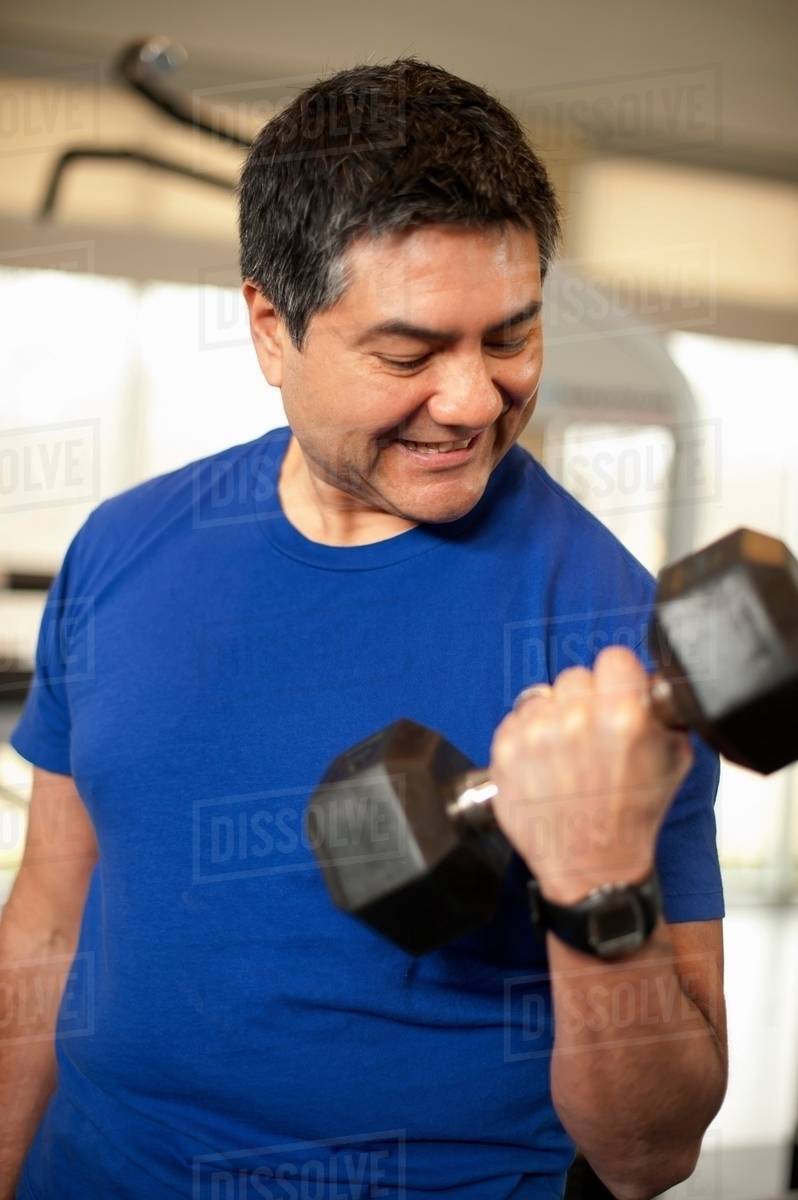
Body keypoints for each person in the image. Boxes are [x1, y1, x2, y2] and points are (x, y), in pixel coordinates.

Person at [1, 57, 726, 1200]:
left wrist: (599, 886)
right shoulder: (122, 548)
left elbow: (651, 1155)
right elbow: (46, 924)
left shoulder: (617, 636)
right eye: (410, 352)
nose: (476, 400)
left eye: (510, 337)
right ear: (270, 329)